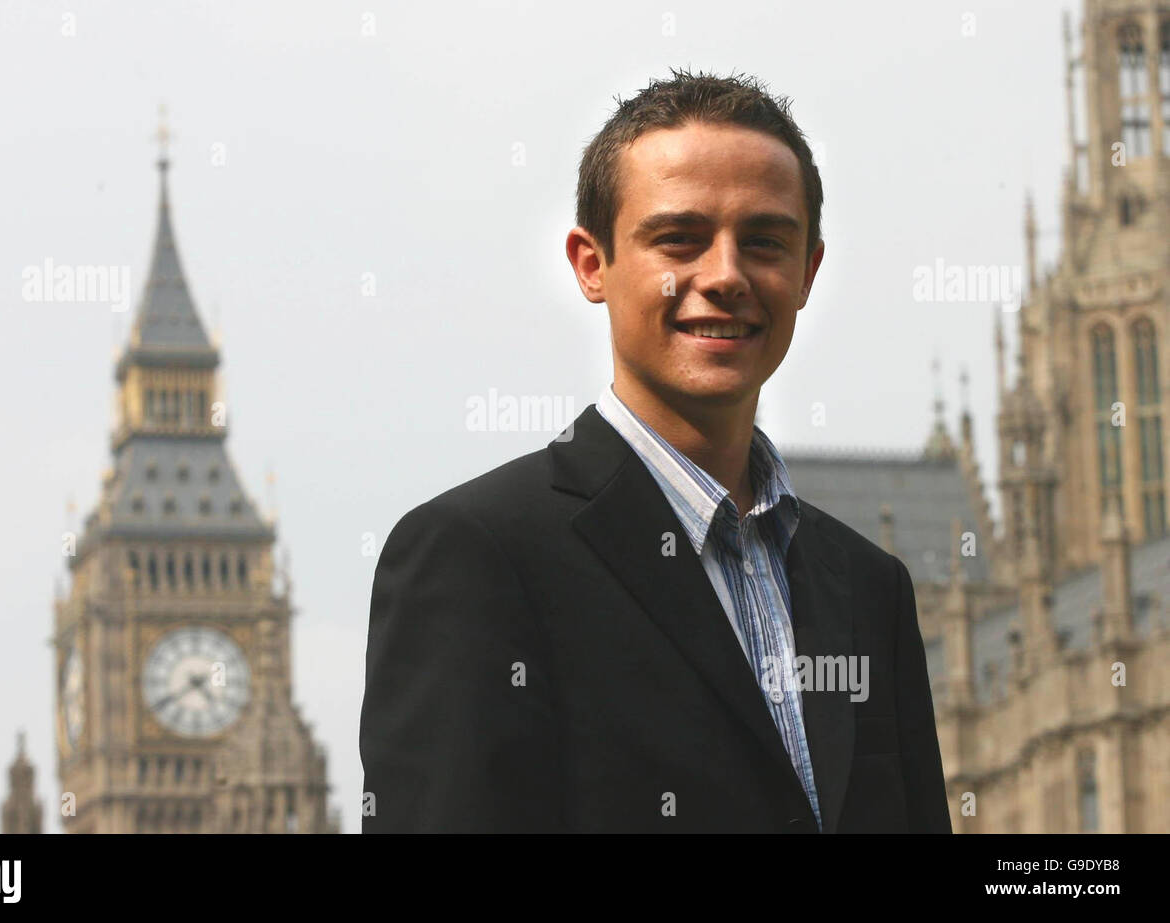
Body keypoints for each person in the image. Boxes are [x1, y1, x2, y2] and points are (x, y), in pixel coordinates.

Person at [359, 67, 952, 833]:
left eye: (764, 241)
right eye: (680, 239)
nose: (726, 275)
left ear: (807, 272)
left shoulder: (872, 588)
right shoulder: (476, 556)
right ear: (592, 264)